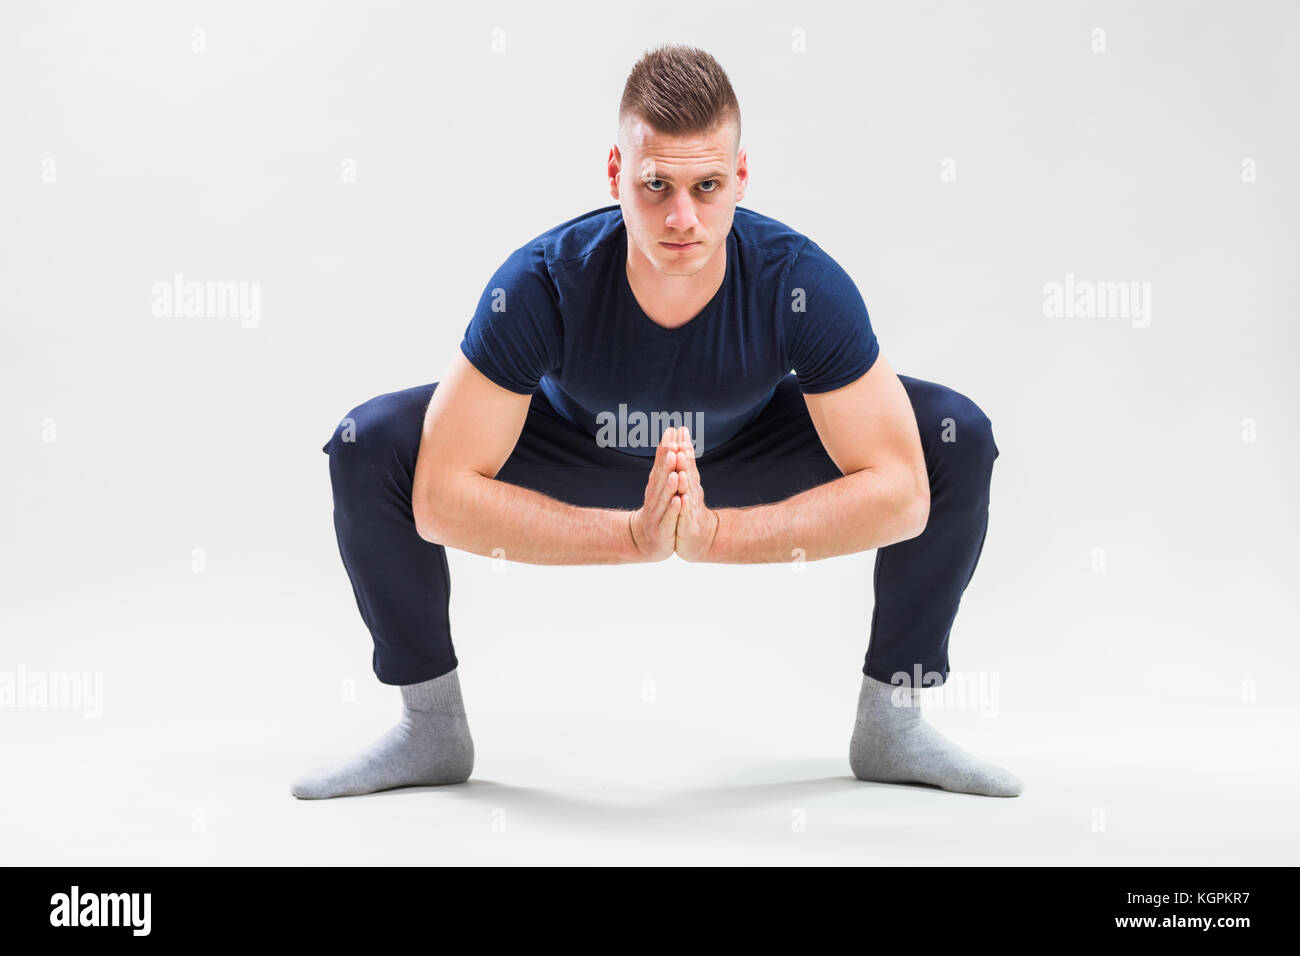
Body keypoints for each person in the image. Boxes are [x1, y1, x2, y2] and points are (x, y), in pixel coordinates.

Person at [291, 43, 1023, 800]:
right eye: (655, 185)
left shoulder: (798, 283)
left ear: (741, 179)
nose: (682, 217)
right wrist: (632, 538)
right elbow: (440, 497)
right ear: (616, 175)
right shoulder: (542, 284)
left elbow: (904, 494)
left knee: (952, 435)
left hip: (741, 452)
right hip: (576, 447)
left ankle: (893, 726)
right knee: (369, 441)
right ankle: (430, 729)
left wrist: (720, 537)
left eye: (707, 185)